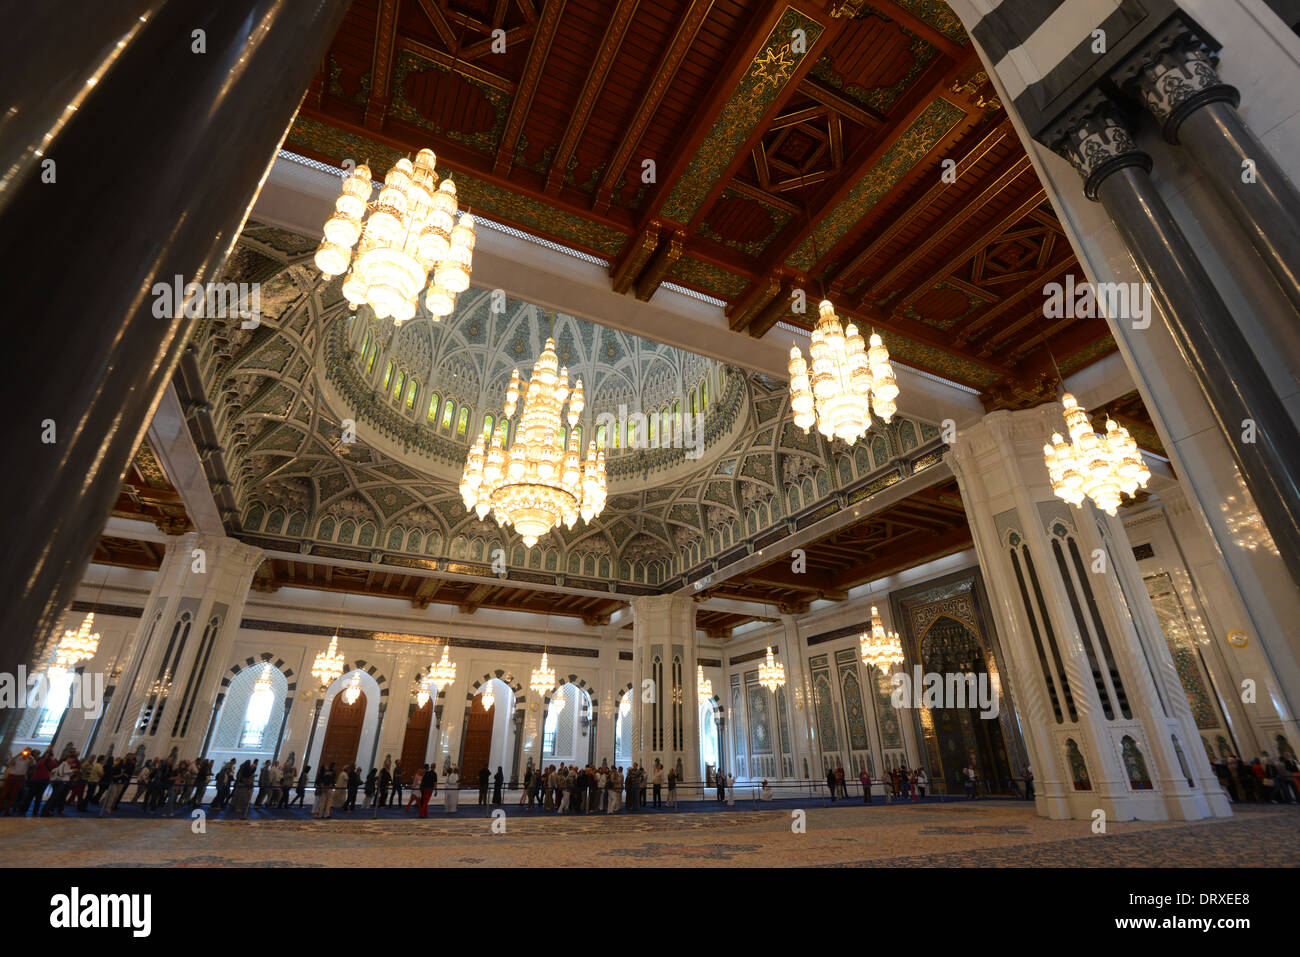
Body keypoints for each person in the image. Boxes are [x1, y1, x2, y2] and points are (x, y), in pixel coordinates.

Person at [1, 748, 33, 815]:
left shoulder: (30, 759)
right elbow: (10, 763)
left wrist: (30, 758)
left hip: (20, 777)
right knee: (4, 792)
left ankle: (7, 810)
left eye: (28, 752)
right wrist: (18, 755)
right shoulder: (18, 757)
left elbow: (32, 765)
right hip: (12, 776)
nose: (26, 753)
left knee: (13, 794)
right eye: (25, 751)